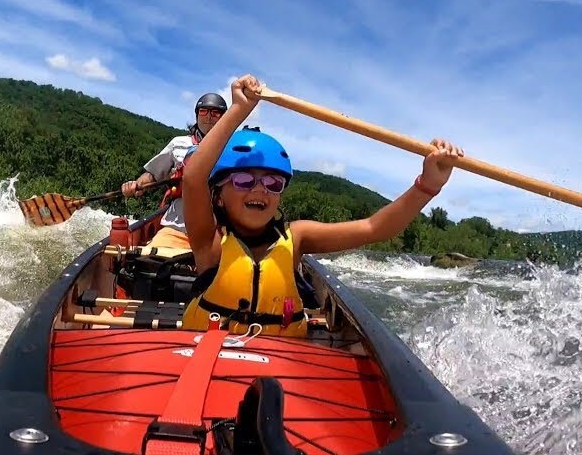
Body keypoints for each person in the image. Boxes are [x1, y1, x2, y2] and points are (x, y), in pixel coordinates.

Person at [180, 74, 463, 337]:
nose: (260, 190)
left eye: (273, 183)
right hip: (212, 357)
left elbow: (373, 227)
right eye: (243, 180)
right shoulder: (209, 240)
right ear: (217, 195)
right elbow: (193, 179)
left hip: (279, 365)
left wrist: (428, 185)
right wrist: (239, 110)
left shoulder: (297, 237)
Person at [121, 92, 228, 249]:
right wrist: (136, 185)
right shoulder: (178, 143)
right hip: (177, 227)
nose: (209, 116)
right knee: (152, 260)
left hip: (218, 232)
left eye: (216, 112)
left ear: (224, 117)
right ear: (197, 115)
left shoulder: (233, 148)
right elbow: (153, 174)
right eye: (204, 111)